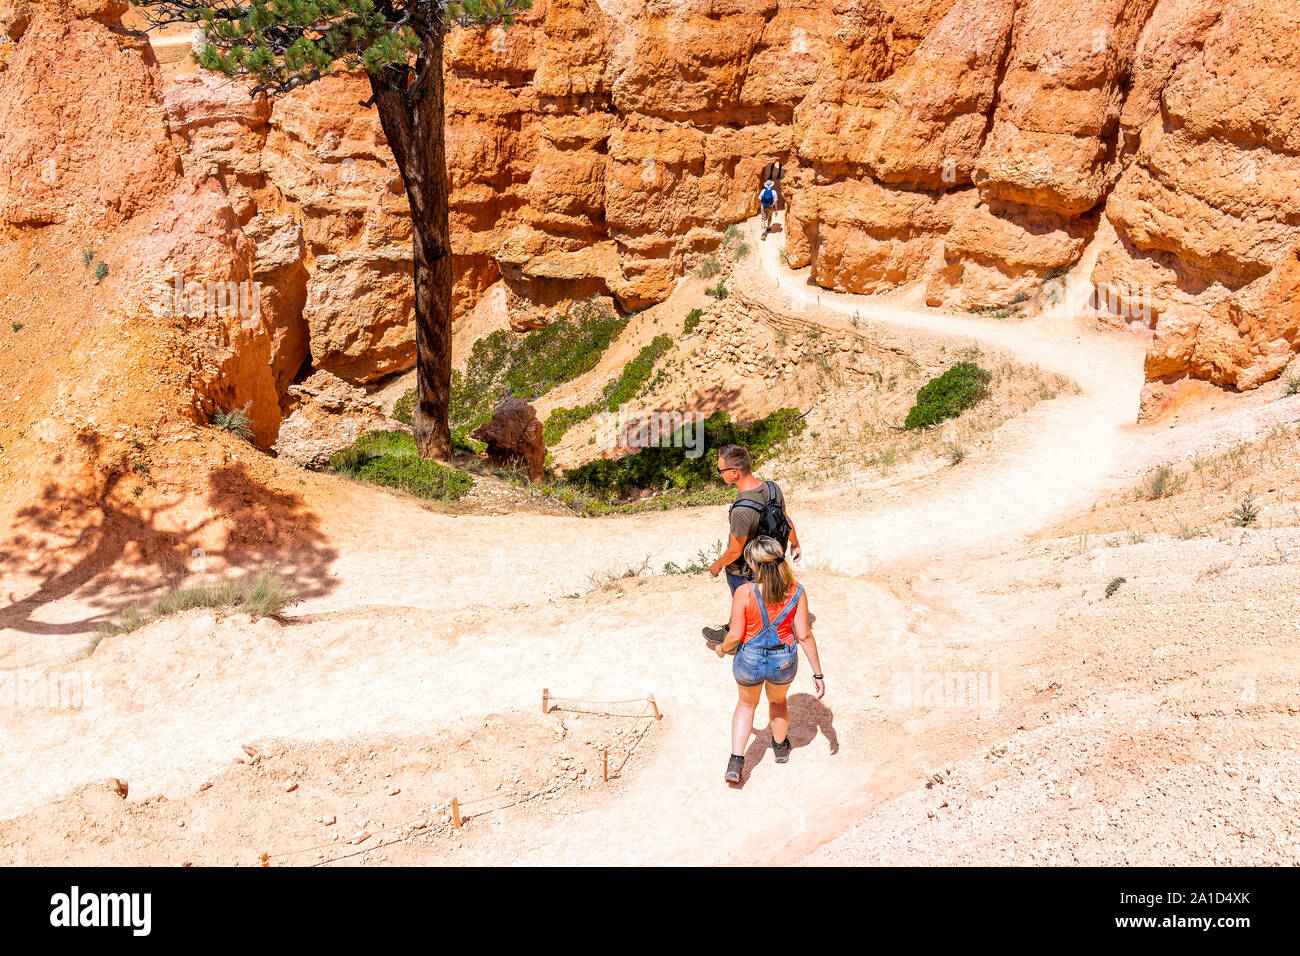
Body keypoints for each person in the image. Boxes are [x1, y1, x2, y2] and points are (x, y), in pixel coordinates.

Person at [711, 535, 824, 783]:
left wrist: (721, 649)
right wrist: (818, 674)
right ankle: (781, 748)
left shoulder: (744, 592)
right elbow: (804, 635)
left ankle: (736, 762)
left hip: (749, 659)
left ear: (754, 564)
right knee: (778, 702)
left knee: (746, 705)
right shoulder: (796, 591)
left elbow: (735, 635)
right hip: (782, 659)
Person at [703, 443, 800, 648]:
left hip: (746, 568)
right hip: (773, 560)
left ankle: (734, 635)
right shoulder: (773, 489)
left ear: (735, 473)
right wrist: (795, 545)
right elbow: (785, 520)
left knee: (745, 605)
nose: (720, 474)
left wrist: (718, 564)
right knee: (770, 599)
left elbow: (735, 550)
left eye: (721, 470)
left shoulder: (741, 510)